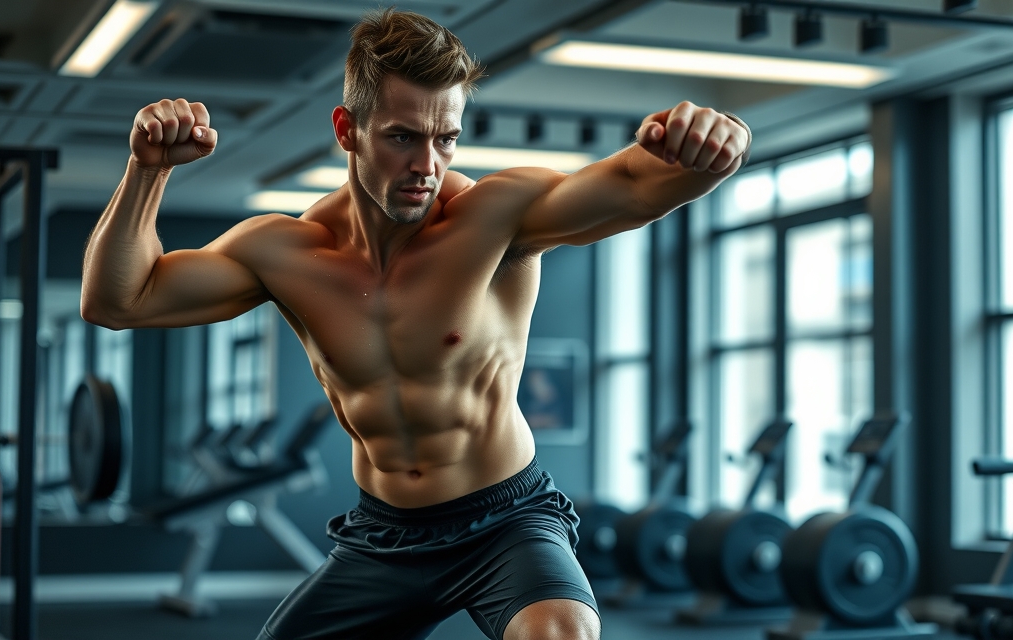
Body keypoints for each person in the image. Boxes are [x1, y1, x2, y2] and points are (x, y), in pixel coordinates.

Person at [80, 8, 750, 640]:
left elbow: (636, 184)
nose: (428, 165)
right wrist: (147, 171)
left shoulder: (497, 217)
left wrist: (713, 147)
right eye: (403, 137)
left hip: (506, 521)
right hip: (384, 536)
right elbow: (119, 301)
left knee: (563, 632)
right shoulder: (283, 251)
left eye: (446, 138)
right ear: (348, 131)